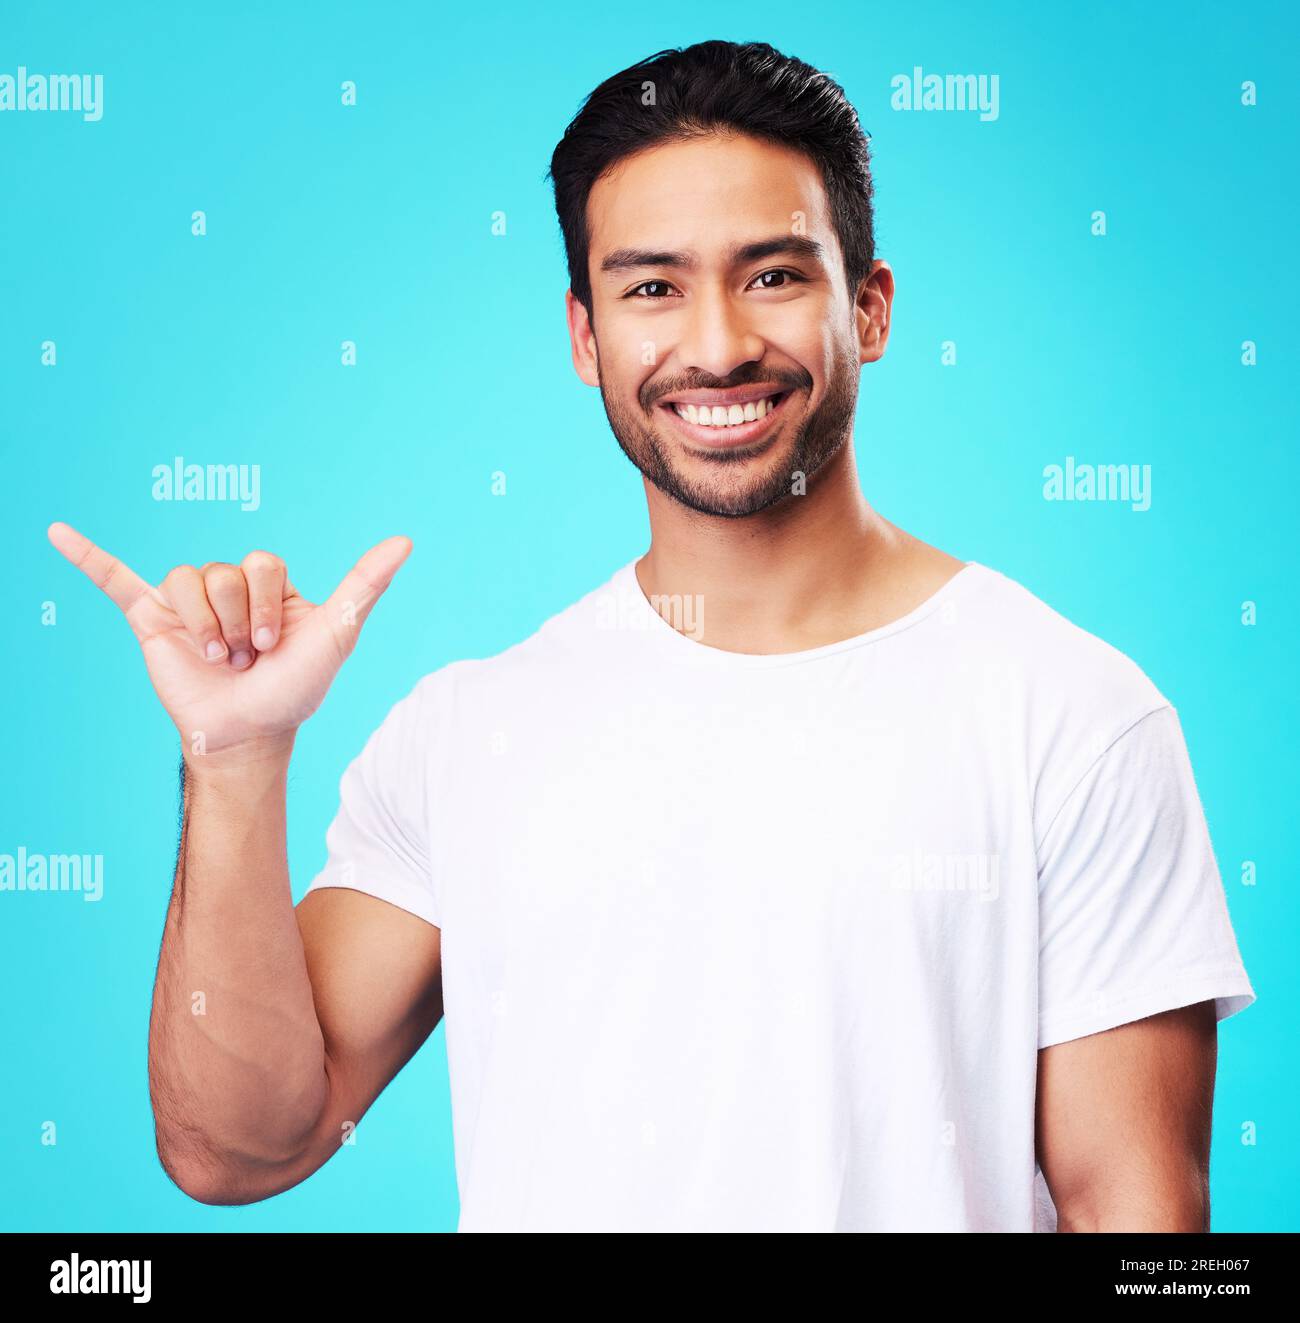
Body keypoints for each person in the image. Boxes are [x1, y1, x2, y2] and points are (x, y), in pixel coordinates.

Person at [49, 40, 1254, 1232]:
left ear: (871, 308)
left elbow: (1137, 1222)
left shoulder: (1072, 716)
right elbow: (238, 1151)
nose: (718, 344)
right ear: (585, 338)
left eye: (774, 275)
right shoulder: (471, 732)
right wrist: (237, 762)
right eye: (651, 287)